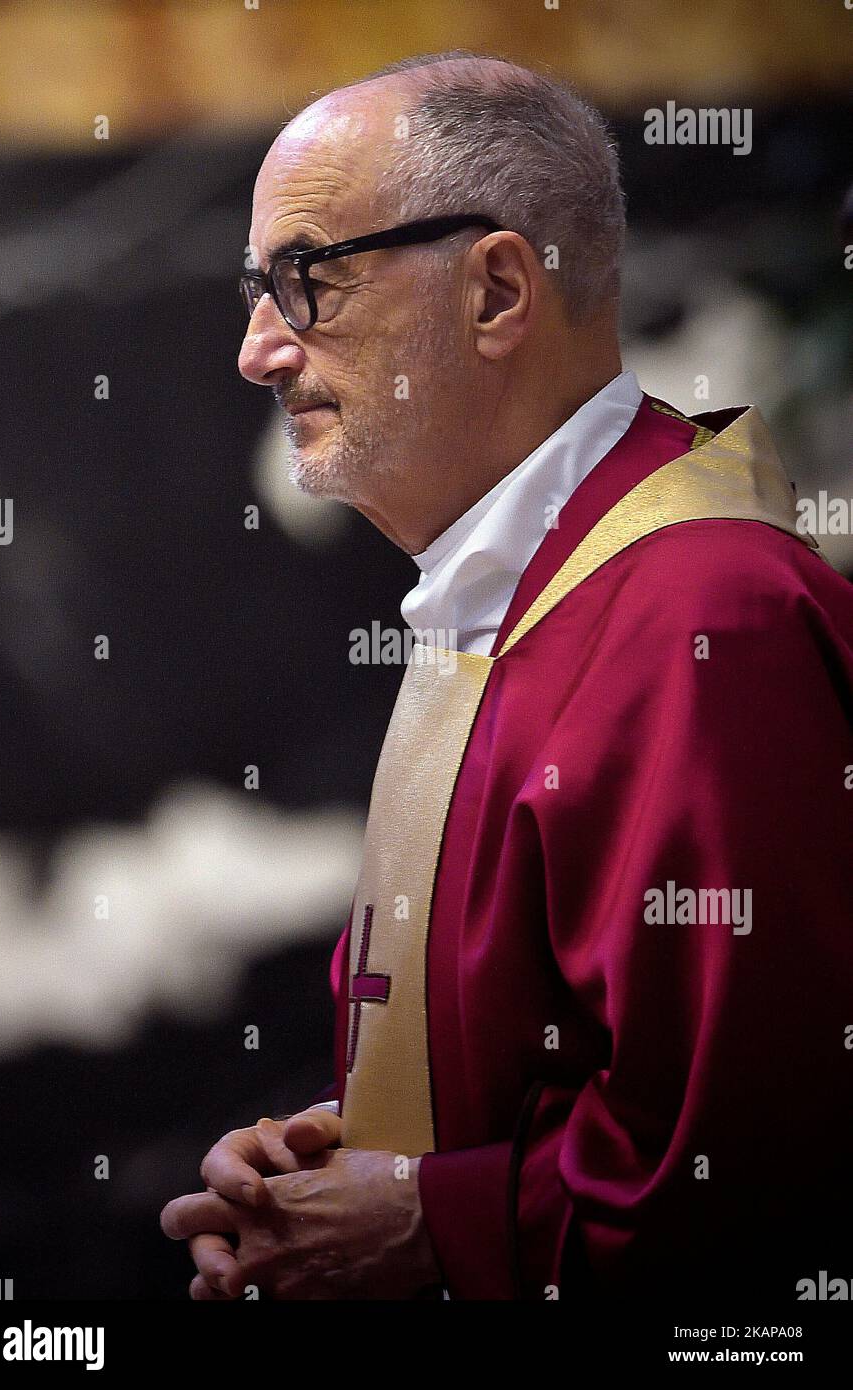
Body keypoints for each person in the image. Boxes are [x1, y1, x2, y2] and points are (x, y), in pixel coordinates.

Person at [160, 50, 853, 1300]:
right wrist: (340, 1162)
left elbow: (755, 1171)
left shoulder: (703, 617)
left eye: (306, 279)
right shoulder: (509, 590)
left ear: (494, 293)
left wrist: (432, 1223)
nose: (260, 350)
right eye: (256, 289)